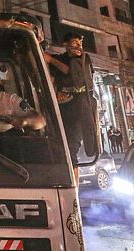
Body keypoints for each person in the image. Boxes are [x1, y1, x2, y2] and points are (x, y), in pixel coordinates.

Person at [43, 33, 97, 179]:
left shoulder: (84, 59)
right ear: (66, 45)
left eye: (80, 43)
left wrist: (51, 60)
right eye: (74, 43)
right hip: (63, 105)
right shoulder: (59, 58)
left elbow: (73, 74)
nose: (78, 46)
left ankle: (74, 189)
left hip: (81, 107)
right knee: (59, 146)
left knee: (72, 147)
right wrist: (56, 93)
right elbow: (50, 77)